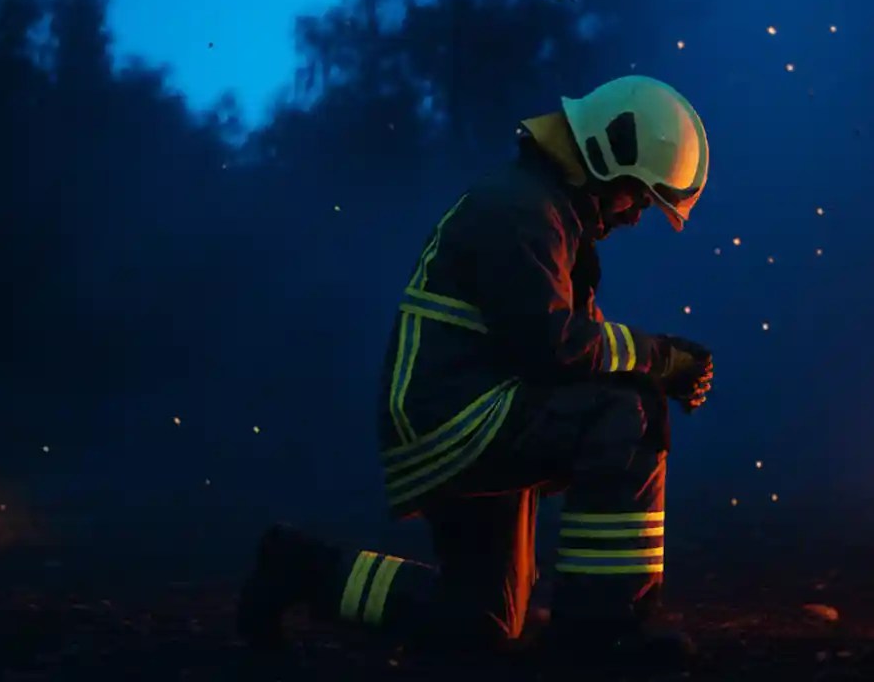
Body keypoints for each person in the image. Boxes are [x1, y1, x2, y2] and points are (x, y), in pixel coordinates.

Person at [236, 75, 714, 673]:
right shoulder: (522, 209)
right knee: (627, 408)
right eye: (637, 197)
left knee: (479, 623)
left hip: (468, 412)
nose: (635, 216)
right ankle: (604, 630)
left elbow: (576, 348)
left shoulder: (544, 209)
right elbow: (555, 346)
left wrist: (651, 360)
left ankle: (302, 568)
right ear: (604, 154)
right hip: (461, 419)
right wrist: (658, 360)